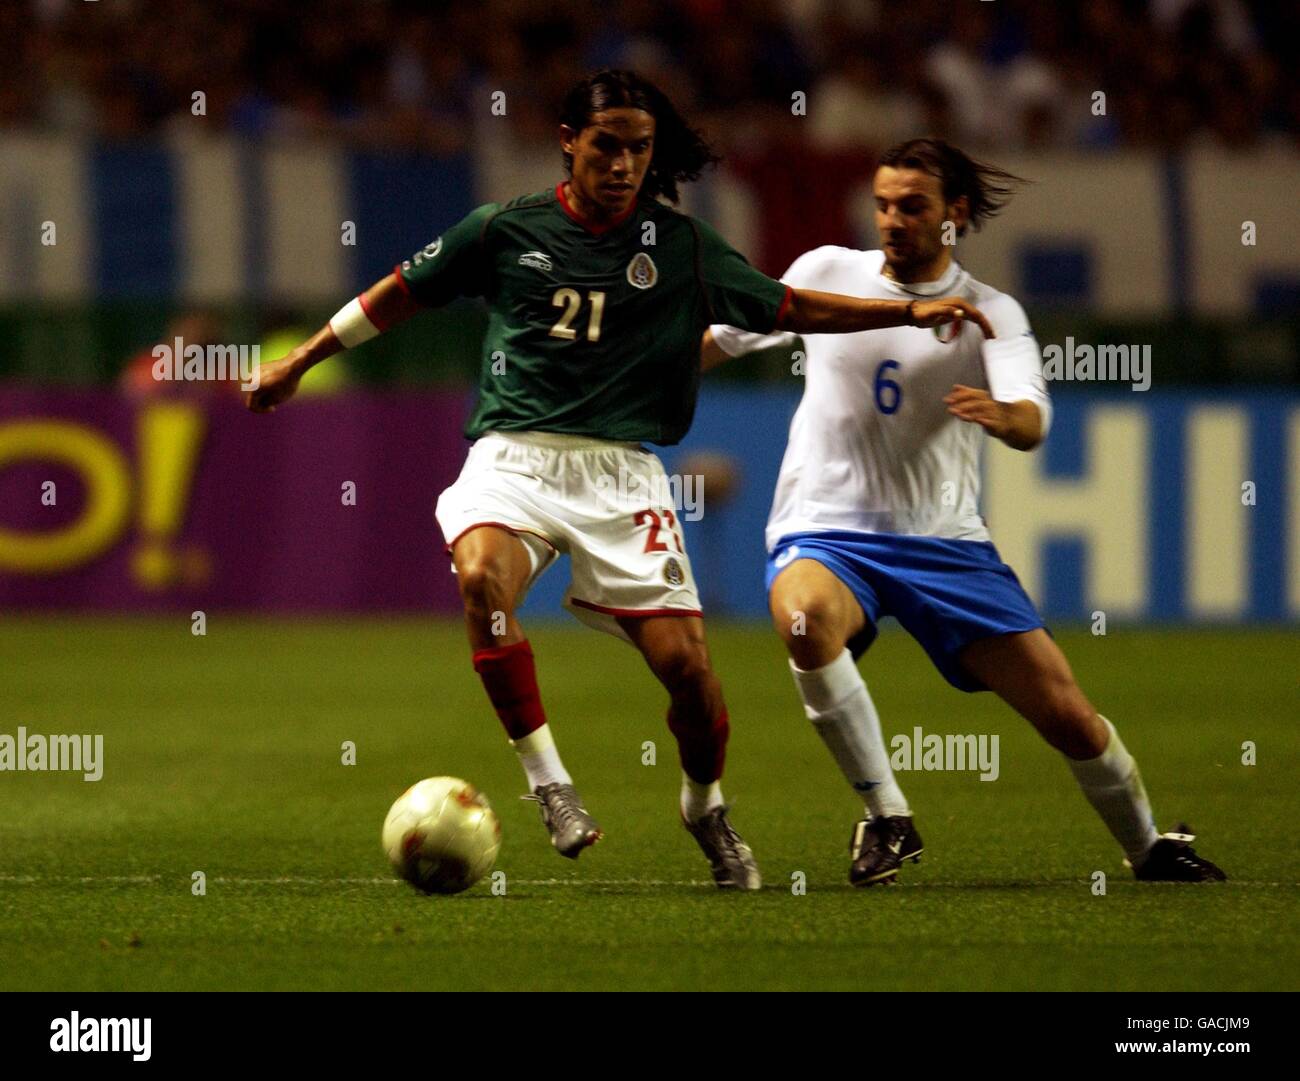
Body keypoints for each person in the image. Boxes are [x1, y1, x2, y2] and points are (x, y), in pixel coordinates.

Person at [246, 76, 991, 890]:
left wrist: (905, 312)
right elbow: (396, 294)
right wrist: (300, 360)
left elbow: (786, 308)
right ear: (570, 139)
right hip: (514, 456)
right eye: (608, 144)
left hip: (620, 475)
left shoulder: (681, 246)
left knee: (689, 672)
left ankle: (705, 804)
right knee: (481, 580)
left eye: (639, 148)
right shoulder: (503, 228)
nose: (625, 162)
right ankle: (549, 784)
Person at [704, 137, 1224, 886]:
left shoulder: (989, 313)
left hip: (944, 545)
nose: (892, 219)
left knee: (1068, 716)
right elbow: (719, 339)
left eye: (912, 206)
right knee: (802, 617)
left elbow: (1031, 419)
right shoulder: (824, 272)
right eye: (883, 203)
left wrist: (1005, 418)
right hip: (828, 530)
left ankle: (1147, 846)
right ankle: (888, 815)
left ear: (955, 215)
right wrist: (622, 371)